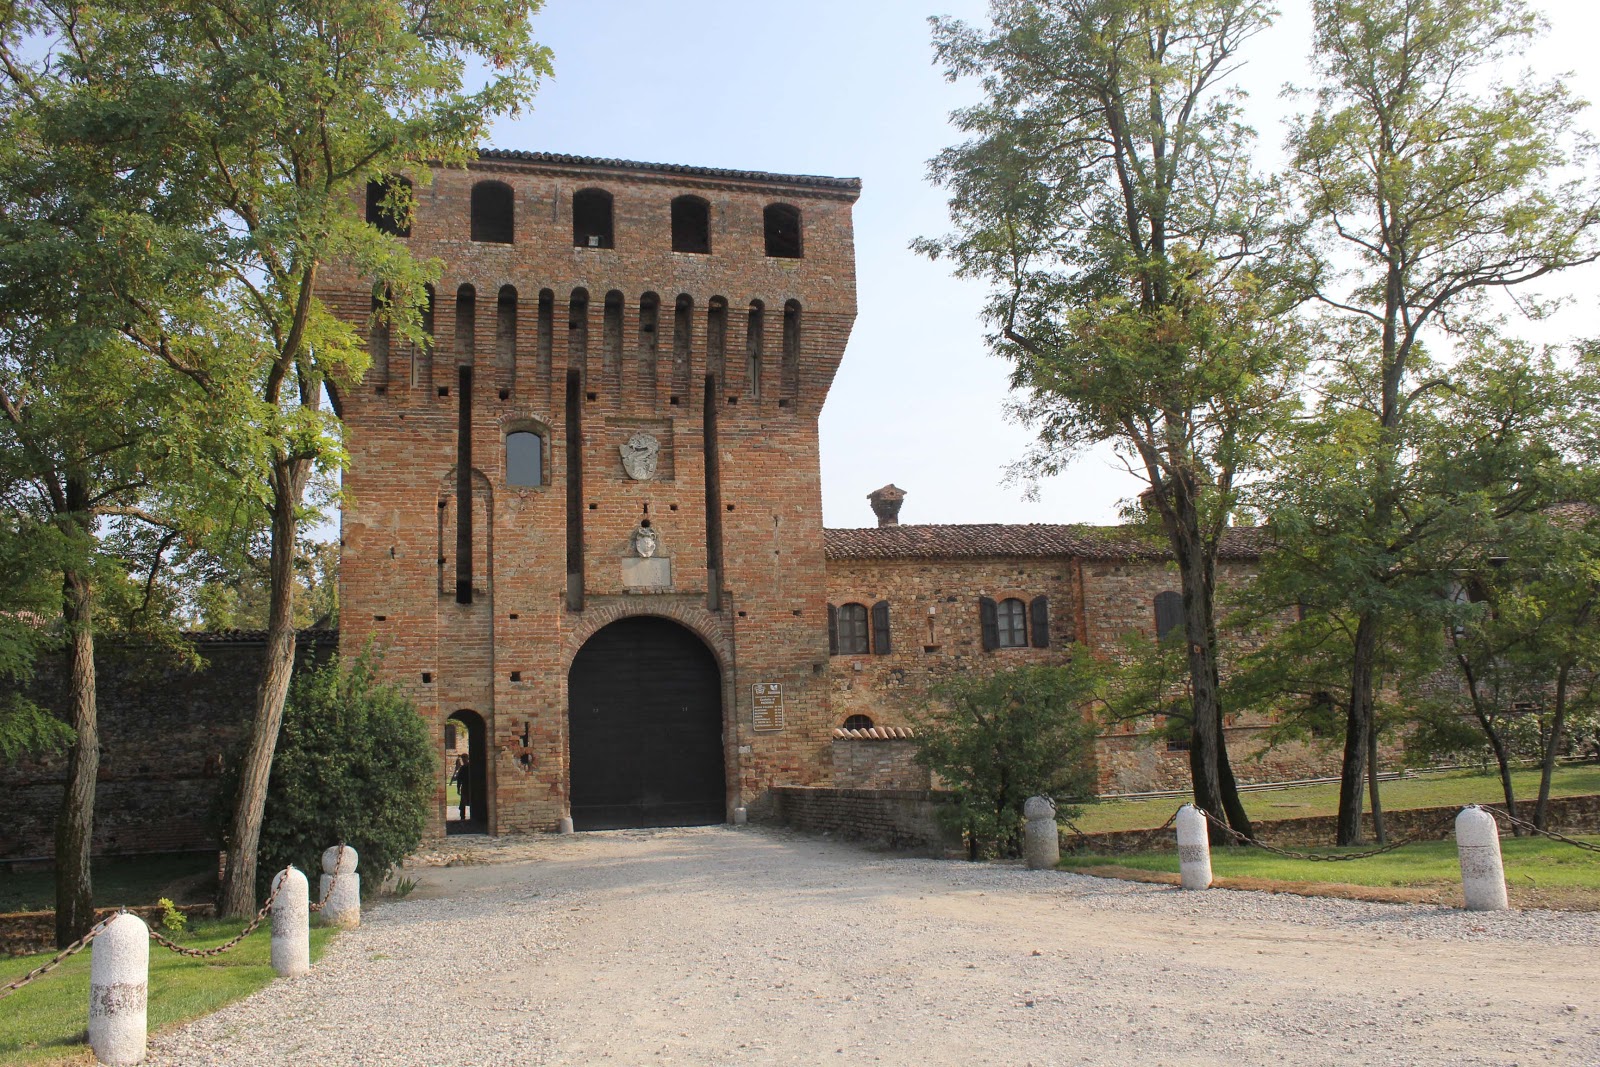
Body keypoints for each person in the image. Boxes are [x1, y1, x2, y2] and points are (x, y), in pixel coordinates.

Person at [451, 755, 471, 822]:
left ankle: (465, 817)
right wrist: (458, 788)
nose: (464, 760)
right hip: (465, 787)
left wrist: (458, 788)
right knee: (463, 802)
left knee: (468, 801)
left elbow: (459, 779)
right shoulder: (463, 768)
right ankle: (462, 817)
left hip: (469, 787)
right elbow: (459, 780)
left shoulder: (467, 767)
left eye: (464, 758)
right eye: (463, 759)